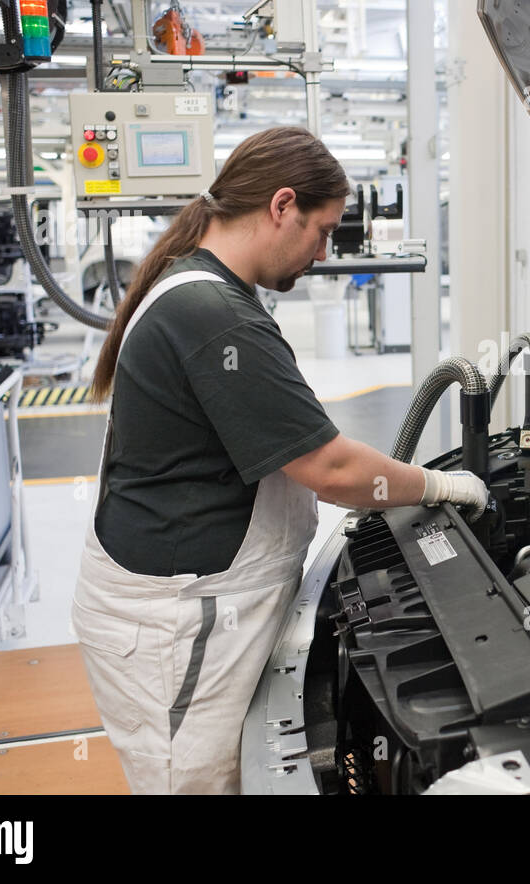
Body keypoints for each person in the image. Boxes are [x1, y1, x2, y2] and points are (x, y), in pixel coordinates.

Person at [71, 126, 486, 794]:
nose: (322, 253)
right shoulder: (215, 314)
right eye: (322, 231)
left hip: (193, 605)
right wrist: (444, 485)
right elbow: (333, 471)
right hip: (176, 624)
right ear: (281, 205)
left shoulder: (202, 287)